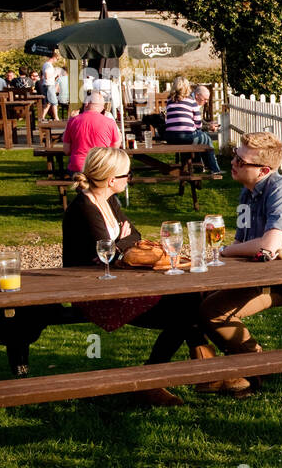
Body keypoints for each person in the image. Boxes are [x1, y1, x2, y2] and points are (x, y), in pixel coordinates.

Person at [61, 147, 209, 406]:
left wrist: (119, 241)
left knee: (189, 300)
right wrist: (119, 240)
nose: (129, 178)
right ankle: (161, 379)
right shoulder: (84, 208)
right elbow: (106, 248)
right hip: (92, 291)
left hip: (116, 280)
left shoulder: (108, 200)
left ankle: (198, 372)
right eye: (127, 175)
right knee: (186, 308)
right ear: (111, 180)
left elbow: (135, 237)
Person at [198, 132, 282, 392]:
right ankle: (211, 373)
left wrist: (225, 251)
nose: (233, 162)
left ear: (263, 170)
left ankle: (255, 369)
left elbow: (269, 246)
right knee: (191, 297)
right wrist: (230, 251)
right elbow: (241, 243)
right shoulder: (246, 194)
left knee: (212, 311)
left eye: (241, 161)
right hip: (258, 273)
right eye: (236, 156)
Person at [162, 76, 221, 175]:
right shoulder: (191, 102)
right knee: (206, 139)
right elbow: (198, 124)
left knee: (199, 138)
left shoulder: (169, 101)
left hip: (170, 137)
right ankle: (214, 169)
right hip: (186, 136)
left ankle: (200, 166)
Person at [64, 91, 122, 173]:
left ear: (86, 103)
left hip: (78, 168)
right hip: (101, 167)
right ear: (102, 107)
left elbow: (66, 150)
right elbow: (115, 147)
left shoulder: (72, 121)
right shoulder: (110, 122)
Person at [39, 51, 61, 120]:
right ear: (54, 57)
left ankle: (42, 117)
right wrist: (55, 74)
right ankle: (56, 118)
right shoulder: (48, 65)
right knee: (54, 102)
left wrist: (55, 77)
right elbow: (46, 76)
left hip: (47, 84)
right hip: (49, 85)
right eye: (57, 59)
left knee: (48, 103)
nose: (56, 61)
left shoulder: (46, 64)